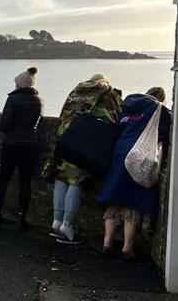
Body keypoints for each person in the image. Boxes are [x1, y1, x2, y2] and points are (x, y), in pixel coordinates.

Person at [49, 73, 123, 244]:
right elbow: (116, 118)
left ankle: (56, 221)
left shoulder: (77, 91)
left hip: (67, 139)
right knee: (77, 182)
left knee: (62, 178)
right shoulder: (108, 93)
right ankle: (67, 225)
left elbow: (63, 113)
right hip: (87, 144)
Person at [99, 87, 171, 259]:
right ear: (162, 98)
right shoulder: (160, 110)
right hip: (140, 156)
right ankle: (127, 246)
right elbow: (165, 134)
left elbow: (118, 128)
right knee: (133, 202)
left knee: (114, 198)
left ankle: (107, 241)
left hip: (120, 152)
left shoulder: (130, 107)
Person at [0, 67, 43, 229]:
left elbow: (3, 124)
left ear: (19, 84)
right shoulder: (39, 100)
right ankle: (21, 217)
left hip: (12, 144)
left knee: (3, 179)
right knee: (25, 182)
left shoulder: (13, 99)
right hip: (30, 145)